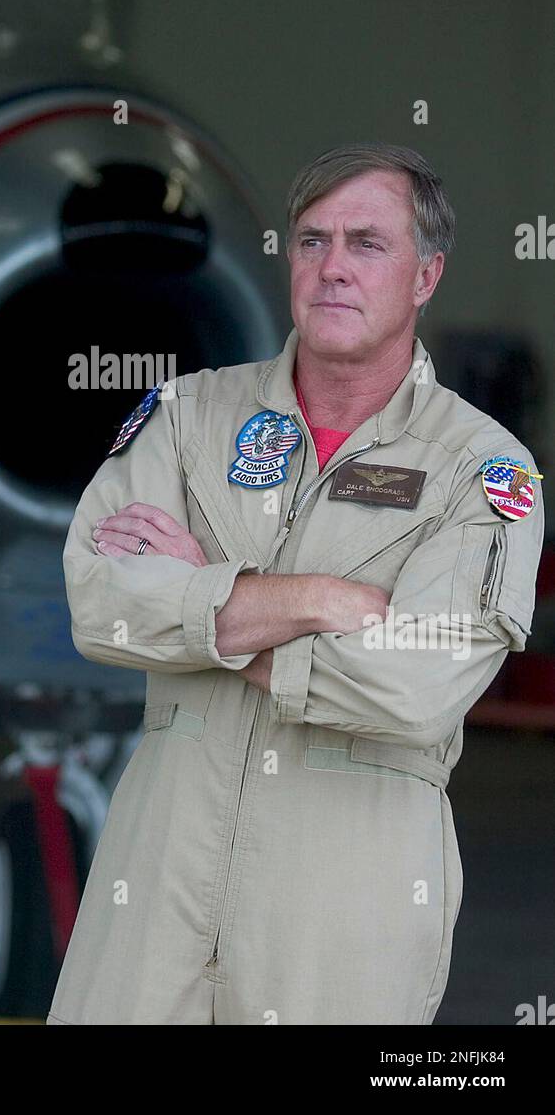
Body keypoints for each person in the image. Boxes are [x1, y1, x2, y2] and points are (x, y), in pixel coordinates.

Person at [46, 143, 544, 1026]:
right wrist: (316, 601)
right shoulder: (186, 417)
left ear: (426, 275)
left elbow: (417, 683)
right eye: (311, 242)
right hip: (152, 892)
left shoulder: (484, 469)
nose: (333, 269)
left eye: (366, 243)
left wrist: (203, 605)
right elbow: (102, 605)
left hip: (343, 913)